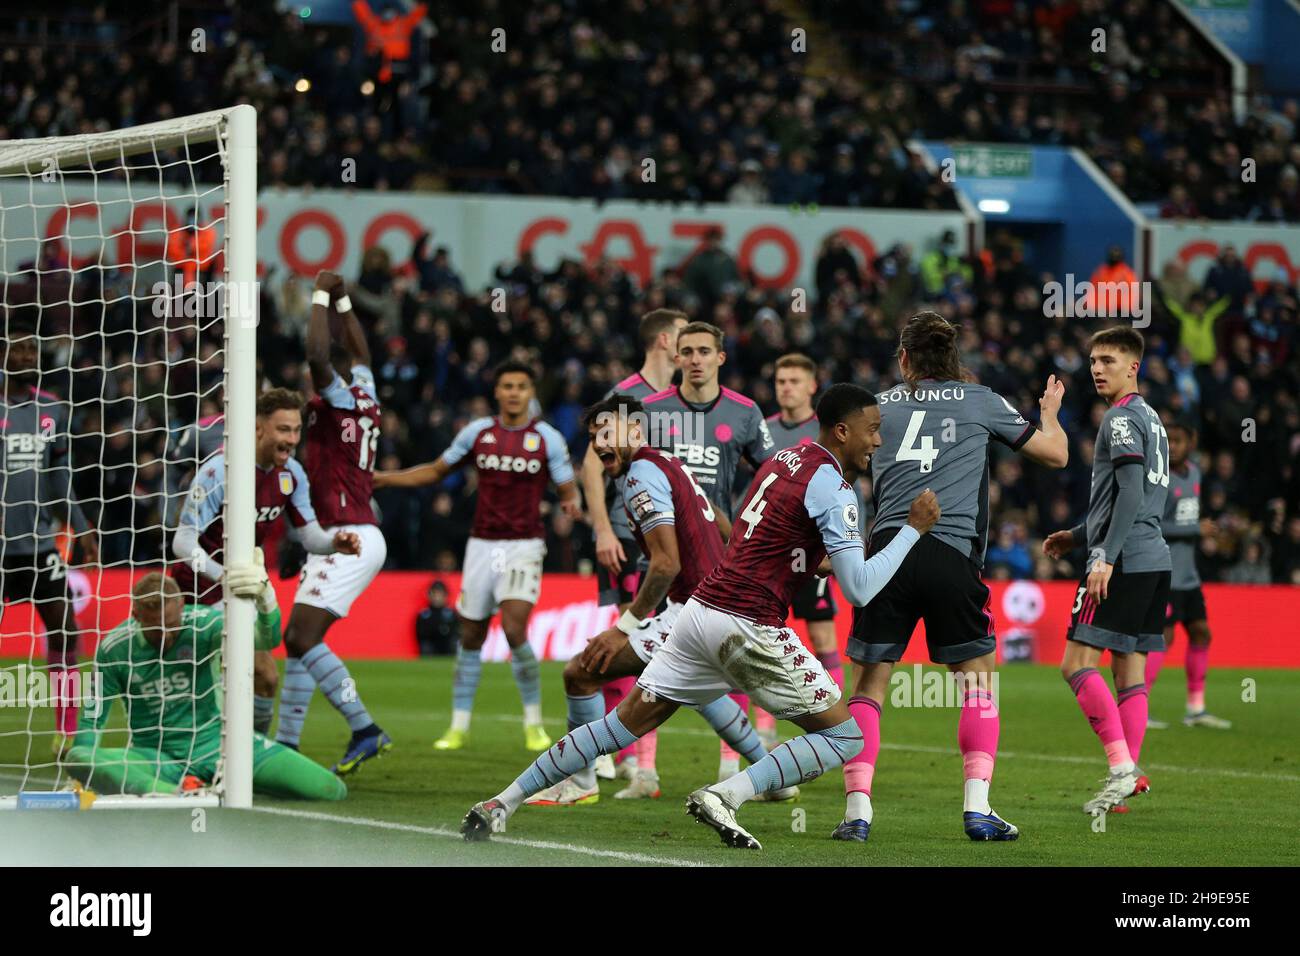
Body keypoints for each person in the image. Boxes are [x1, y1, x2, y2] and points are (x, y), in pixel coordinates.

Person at [462, 384, 940, 850]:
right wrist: (911, 532)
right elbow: (858, 590)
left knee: (617, 726)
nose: (878, 441)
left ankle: (501, 802)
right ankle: (725, 795)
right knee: (844, 736)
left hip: (699, 611)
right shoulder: (834, 487)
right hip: (749, 622)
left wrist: (832, 557)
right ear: (841, 430)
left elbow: (764, 540)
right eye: (872, 430)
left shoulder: (783, 459)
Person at [838, 312, 1068, 843]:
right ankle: (977, 808)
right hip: (950, 552)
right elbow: (1055, 455)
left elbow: (839, 473)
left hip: (888, 552)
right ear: (953, 357)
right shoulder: (981, 399)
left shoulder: (876, 407)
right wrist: (1049, 414)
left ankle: (857, 814)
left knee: (870, 685)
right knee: (978, 683)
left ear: (904, 359)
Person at [521, 395, 797, 806]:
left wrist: (622, 629)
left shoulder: (639, 475)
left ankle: (580, 782)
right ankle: (776, 780)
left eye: (607, 432)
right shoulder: (669, 462)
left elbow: (665, 564)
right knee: (701, 694)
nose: (598, 443)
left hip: (693, 609)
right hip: (716, 604)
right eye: (594, 436)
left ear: (635, 431)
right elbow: (724, 522)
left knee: (581, 672)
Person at [375, 360, 580, 752]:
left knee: (515, 628)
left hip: (524, 544)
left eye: (522, 385)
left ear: (530, 392)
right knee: (470, 634)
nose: (515, 392)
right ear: (497, 392)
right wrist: (385, 478)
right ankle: (459, 725)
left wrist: (570, 503)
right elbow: (436, 471)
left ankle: (533, 722)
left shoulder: (547, 438)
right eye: (508, 385)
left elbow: (567, 486)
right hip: (482, 545)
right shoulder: (478, 433)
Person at [65, 562, 345, 800]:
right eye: (155, 628)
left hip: (223, 748)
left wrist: (266, 599)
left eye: (171, 625)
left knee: (331, 789)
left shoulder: (203, 624)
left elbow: (266, 639)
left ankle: (195, 787)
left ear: (182, 605)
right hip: (158, 758)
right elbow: (93, 718)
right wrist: (83, 774)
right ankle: (175, 793)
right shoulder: (113, 648)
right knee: (78, 757)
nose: (166, 636)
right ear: (136, 615)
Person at [170, 388, 361, 735]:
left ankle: (251, 760)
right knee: (190, 689)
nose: (292, 439)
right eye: (283, 430)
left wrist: (335, 542)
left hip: (240, 588)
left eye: (297, 430)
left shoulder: (292, 475)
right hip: (195, 588)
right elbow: (182, 541)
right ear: (258, 429)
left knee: (265, 676)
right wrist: (223, 575)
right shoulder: (219, 470)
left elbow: (311, 537)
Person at [1043, 326, 1172, 815]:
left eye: (1109, 361)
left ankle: (1121, 768)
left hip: (1126, 559)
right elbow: (1129, 499)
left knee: (1075, 665)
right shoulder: (1152, 419)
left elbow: (1132, 494)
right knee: (1130, 674)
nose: (1097, 368)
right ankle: (1126, 781)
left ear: (1133, 367)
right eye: (1093, 360)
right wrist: (1078, 536)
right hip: (1154, 559)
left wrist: (1103, 556)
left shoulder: (1119, 420)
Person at [642, 320, 776, 786]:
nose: (695, 359)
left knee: (729, 663)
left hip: (719, 560)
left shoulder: (744, 413)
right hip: (658, 555)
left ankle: (730, 769)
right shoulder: (650, 410)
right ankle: (644, 771)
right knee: (650, 658)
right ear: (675, 357)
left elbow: (773, 477)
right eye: (687, 351)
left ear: (720, 358)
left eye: (704, 351)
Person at [275, 271, 391, 775]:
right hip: (342, 534)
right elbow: (361, 354)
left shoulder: (340, 396)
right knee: (301, 640)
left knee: (299, 638)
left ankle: (365, 727)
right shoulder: (366, 392)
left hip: (348, 535)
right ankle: (287, 743)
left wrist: (320, 295)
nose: (309, 383)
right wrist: (345, 302)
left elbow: (320, 357)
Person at [580, 309, 687, 789]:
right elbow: (589, 466)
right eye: (686, 338)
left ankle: (630, 756)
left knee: (667, 645)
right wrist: (603, 528)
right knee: (628, 632)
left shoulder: (685, 402)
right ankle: (616, 753)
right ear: (665, 341)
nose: (692, 349)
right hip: (630, 534)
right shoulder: (626, 398)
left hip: (675, 535)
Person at [1, 317, 99, 753]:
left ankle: (67, 732)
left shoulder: (53, 409)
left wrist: (81, 525)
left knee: (65, 629)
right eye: (19, 350)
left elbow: (61, 476)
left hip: (41, 546)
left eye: (33, 352)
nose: (27, 358)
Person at [1146, 421, 1231, 730]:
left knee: (1201, 632)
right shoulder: (1158, 477)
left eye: (1179, 440)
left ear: (1191, 442)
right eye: (1170, 440)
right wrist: (1196, 529)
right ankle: (1138, 707)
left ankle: (1195, 709)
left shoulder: (1194, 472)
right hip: (1164, 572)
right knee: (1162, 639)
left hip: (1189, 576)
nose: (1174, 446)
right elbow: (1151, 523)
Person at [415, 580, 459, 656]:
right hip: (431, 646)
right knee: (426, 647)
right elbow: (420, 635)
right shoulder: (423, 615)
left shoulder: (452, 614)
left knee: (454, 645)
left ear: (445, 595)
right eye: (434, 593)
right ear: (429, 595)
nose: (437, 597)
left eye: (440, 594)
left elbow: (456, 632)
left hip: (447, 646)